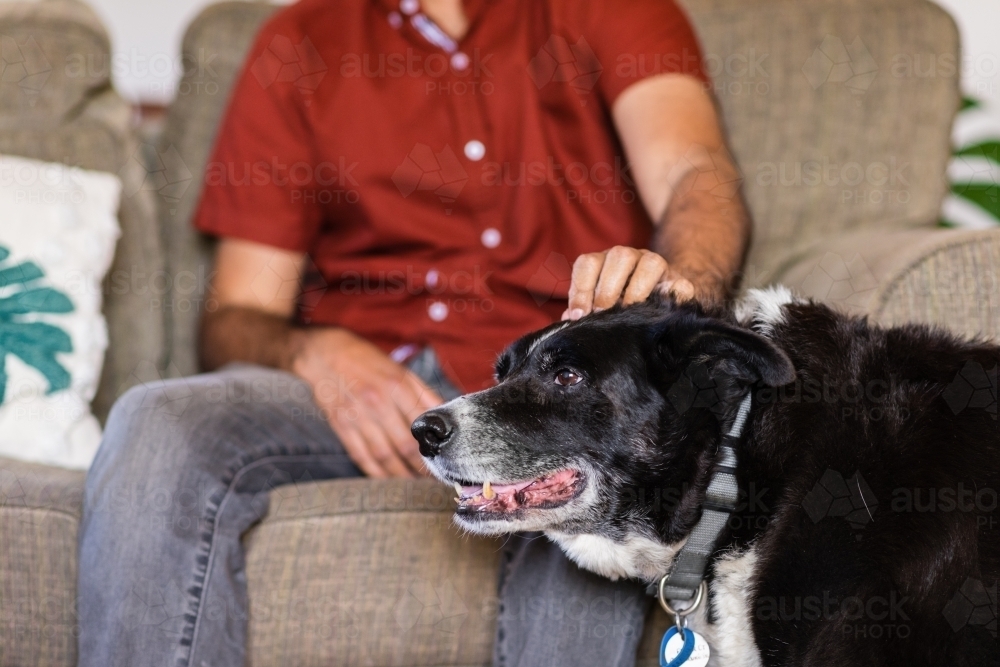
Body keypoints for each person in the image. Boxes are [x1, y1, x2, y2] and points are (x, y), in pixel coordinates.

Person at [77, 0, 750, 664]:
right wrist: (313, 351)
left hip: (546, 388)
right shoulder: (299, 41)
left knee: (587, 484)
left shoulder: (612, 10)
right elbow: (235, 316)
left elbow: (697, 172)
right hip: (358, 387)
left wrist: (680, 292)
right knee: (157, 421)